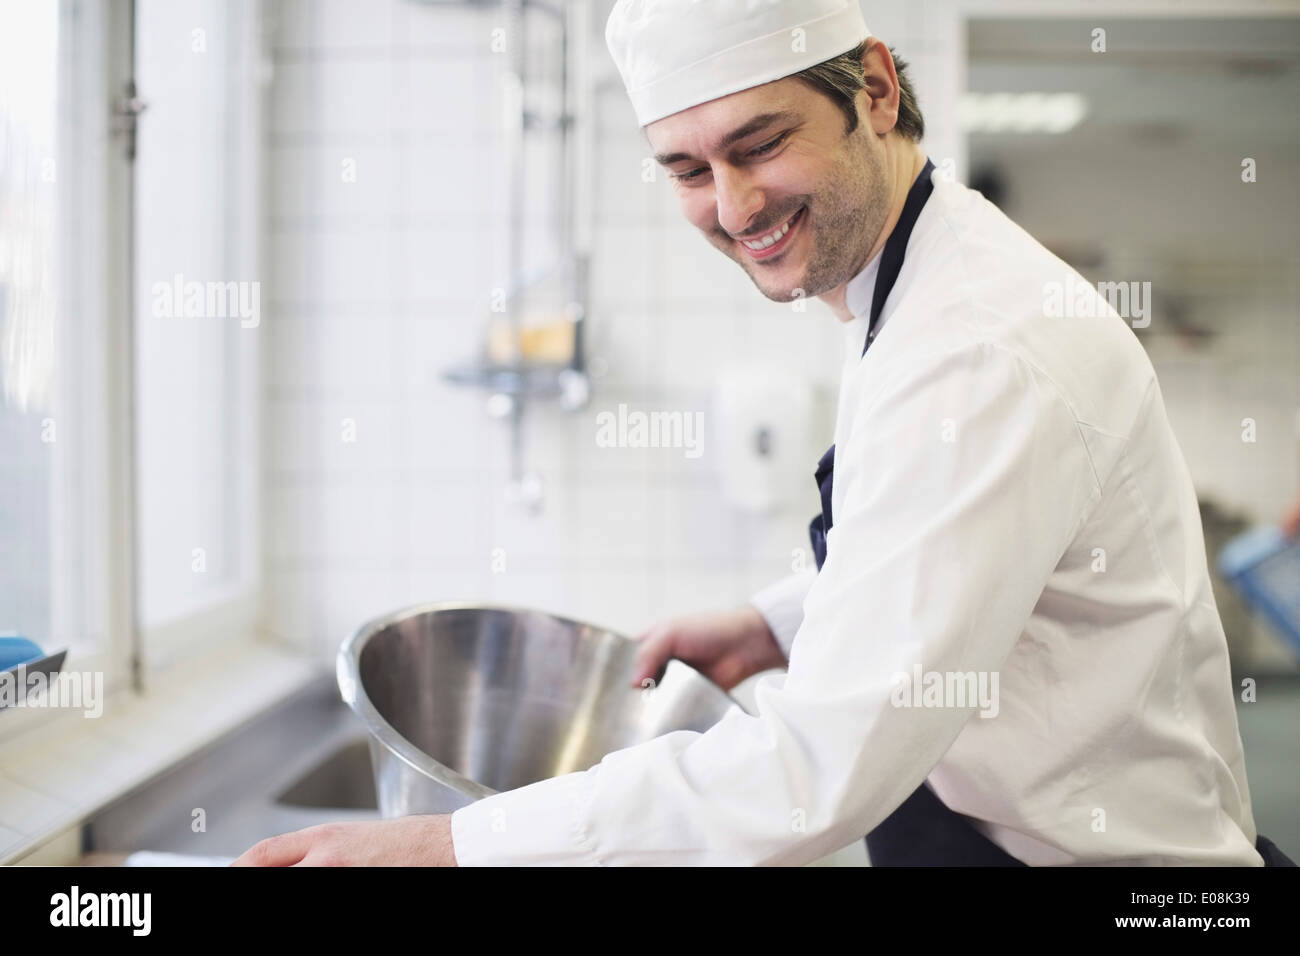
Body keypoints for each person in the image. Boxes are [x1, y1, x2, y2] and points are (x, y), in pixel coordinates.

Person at [234, 0, 1291, 867]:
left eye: (759, 143)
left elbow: (817, 768)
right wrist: (778, 619)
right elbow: (946, 535)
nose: (734, 206)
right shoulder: (913, 276)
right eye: (688, 171)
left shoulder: (972, 347)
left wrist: (453, 844)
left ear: (873, 89)